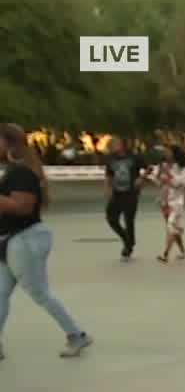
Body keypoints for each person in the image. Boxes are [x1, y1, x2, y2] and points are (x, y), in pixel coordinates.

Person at [0, 123, 93, 360]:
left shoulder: (20, 172)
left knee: (39, 292)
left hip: (25, 238)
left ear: (8, 143)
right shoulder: (12, 170)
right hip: (10, 239)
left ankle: (76, 334)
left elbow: (22, 207)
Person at [103, 137, 146, 261]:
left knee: (129, 220)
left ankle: (128, 247)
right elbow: (108, 175)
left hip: (131, 193)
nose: (113, 146)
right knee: (111, 217)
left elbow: (148, 168)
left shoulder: (134, 157)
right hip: (117, 193)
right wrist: (107, 189)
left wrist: (141, 179)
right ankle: (127, 238)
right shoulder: (111, 159)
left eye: (115, 144)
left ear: (122, 145)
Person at [152, 145, 185, 263]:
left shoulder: (181, 168)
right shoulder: (162, 166)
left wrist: (169, 175)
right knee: (172, 227)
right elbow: (157, 181)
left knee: (170, 225)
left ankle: (165, 254)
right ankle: (182, 250)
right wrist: (157, 176)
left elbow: (180, 183)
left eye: (168, 151)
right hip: (165, 200)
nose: (165, 153)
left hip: (176, 201)